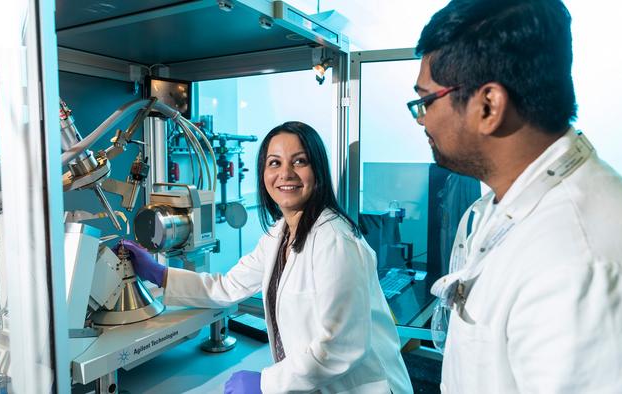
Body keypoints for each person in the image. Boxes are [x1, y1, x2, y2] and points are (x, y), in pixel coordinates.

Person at [409, 0, 622, 393]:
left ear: (489, 105)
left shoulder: (579, 265)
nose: (422, 118)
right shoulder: (508, 208)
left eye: (426, 101)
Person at [119, 121, 413, 394]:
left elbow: (339, 347)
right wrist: (157, 273)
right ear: (263, 173)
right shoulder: (281, 232)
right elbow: (227, 287)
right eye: (275, 163)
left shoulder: (335, 240)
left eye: (300, 161)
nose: (285, 174)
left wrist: (265, 383)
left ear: (318, 170)